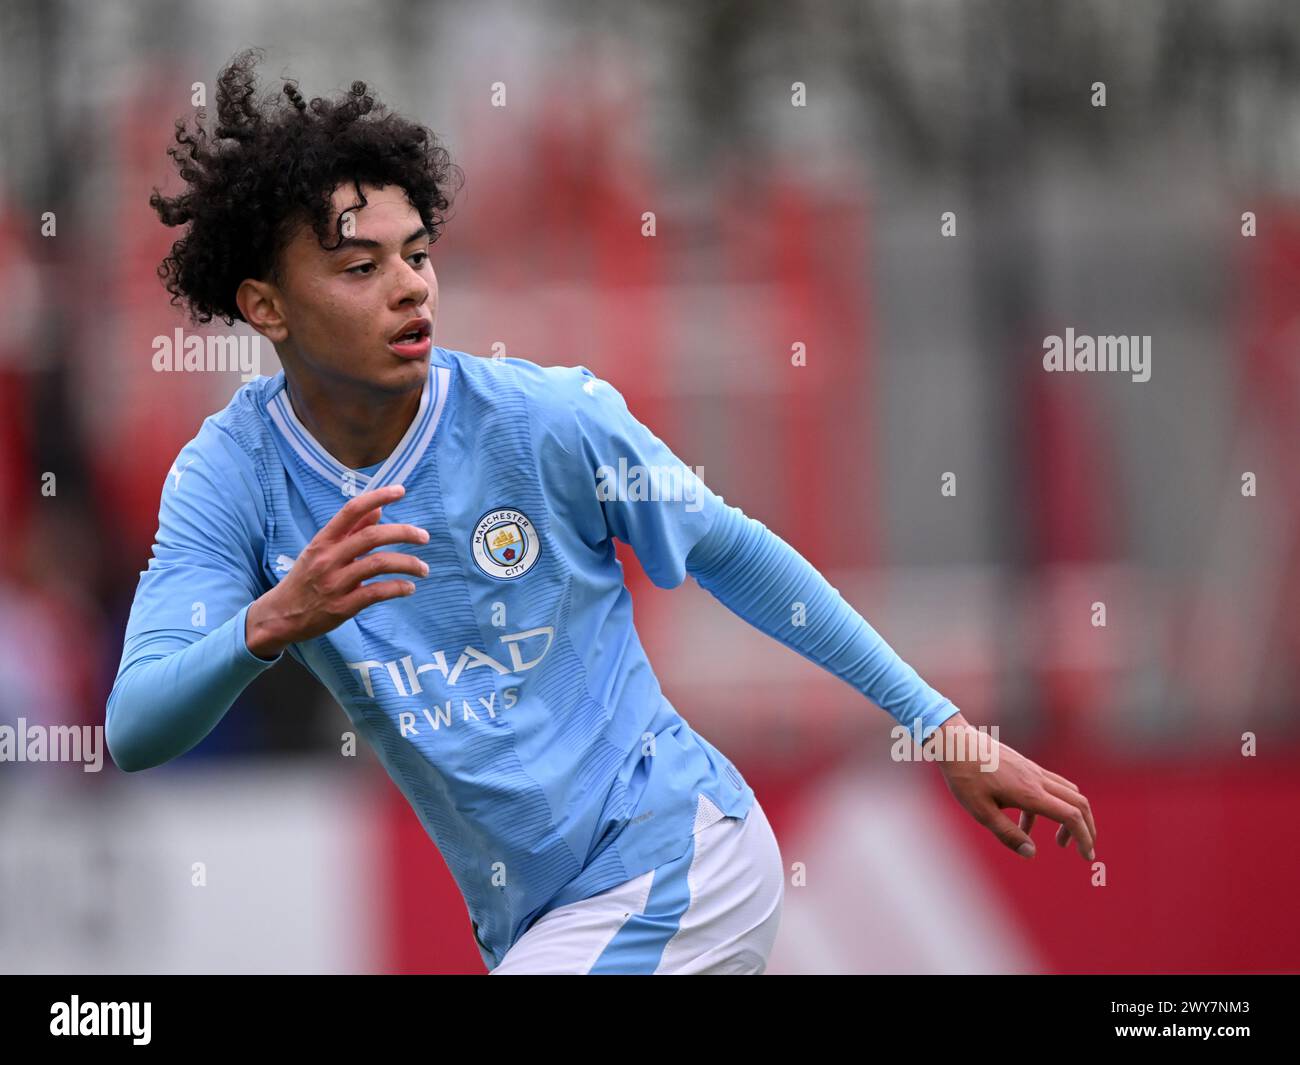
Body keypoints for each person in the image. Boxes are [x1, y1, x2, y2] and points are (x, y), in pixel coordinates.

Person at [107, 48, 1096, 975]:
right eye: (362, 269)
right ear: (267, 307)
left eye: (417, 254)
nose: (409, 289)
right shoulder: (230, 476)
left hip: (679, 860)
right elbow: (136, 727)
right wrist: (270, 623)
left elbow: (737, 555)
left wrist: (939, 726)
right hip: (539, 925)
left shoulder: (548, 423)